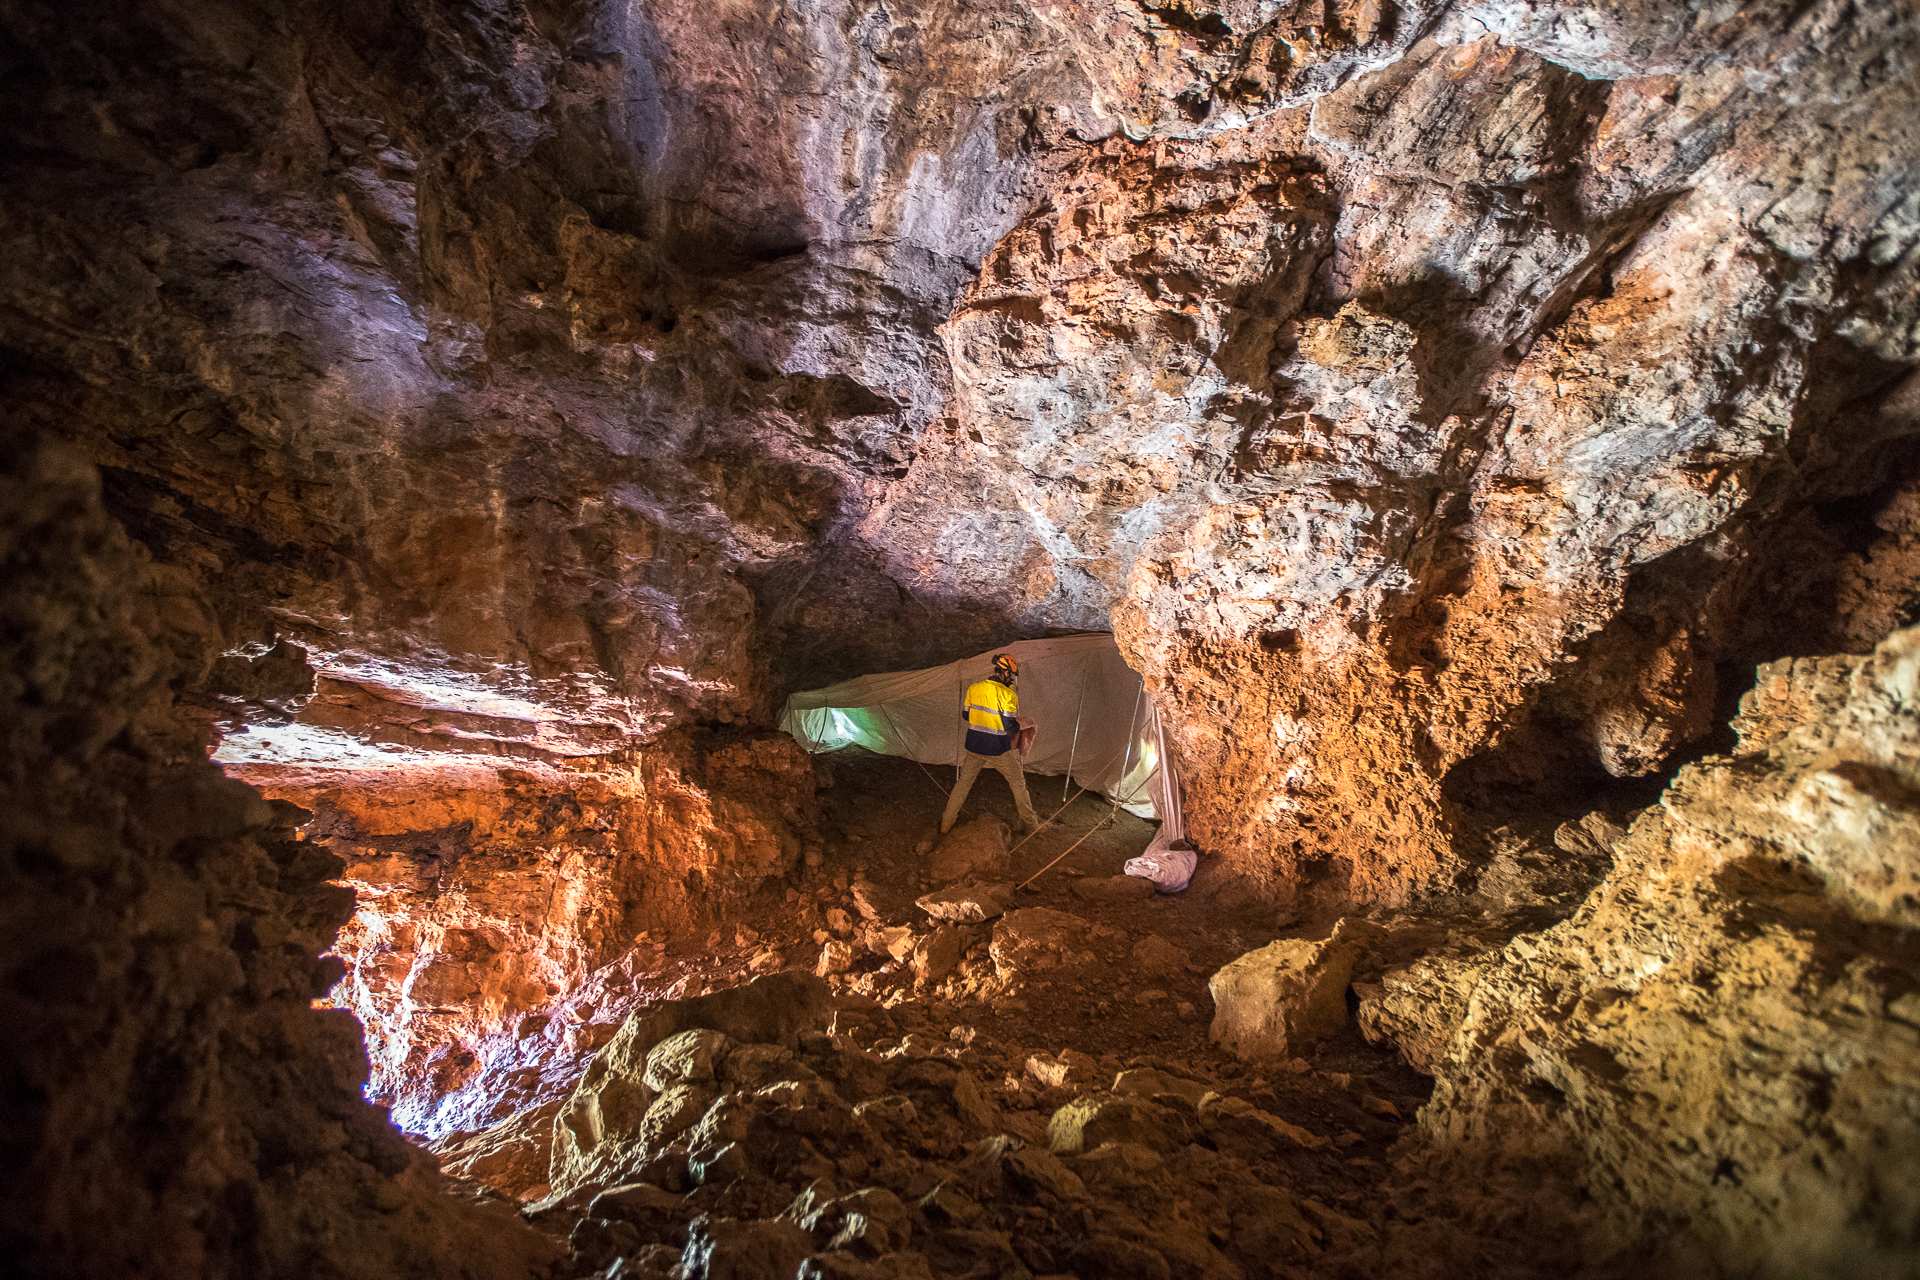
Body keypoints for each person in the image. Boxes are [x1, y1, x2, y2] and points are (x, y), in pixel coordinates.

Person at [940, 653, 1039, 835]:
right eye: (1012, 676)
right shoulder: (1008, 694)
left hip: (975, 746)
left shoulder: (974, 688)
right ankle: (1031, 825)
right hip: (998, 749)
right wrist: (1025, 723)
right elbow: (1009, 727)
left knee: (963, 784)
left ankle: (945, 824)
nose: (1013, 680)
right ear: (1007, 674)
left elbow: (966, 716)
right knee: (1018, 784)